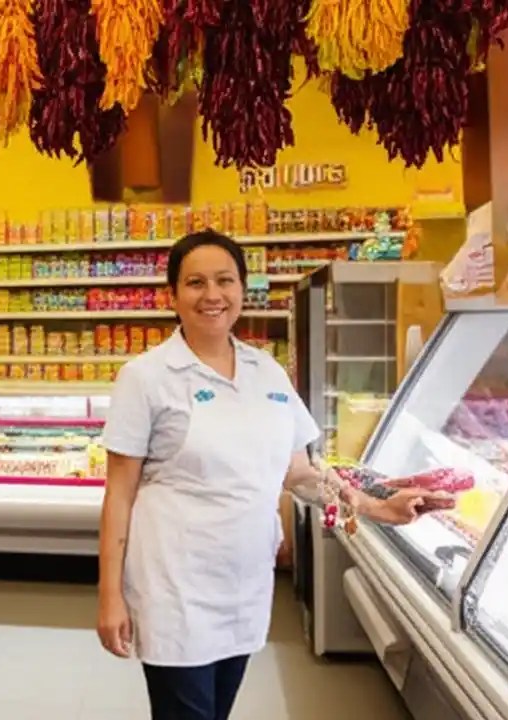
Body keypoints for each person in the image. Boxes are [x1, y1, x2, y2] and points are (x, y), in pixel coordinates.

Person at [96, 230, 446, 720]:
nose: (212, 295)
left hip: (244, 583)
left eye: (225, 280)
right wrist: (110, 596)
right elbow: (119, 495)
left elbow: (299, 471)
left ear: (243, 289)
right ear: (172, 295)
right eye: (195, 282)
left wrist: (374, 505)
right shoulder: (146, 377)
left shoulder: (268, 372)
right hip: (174, 587)